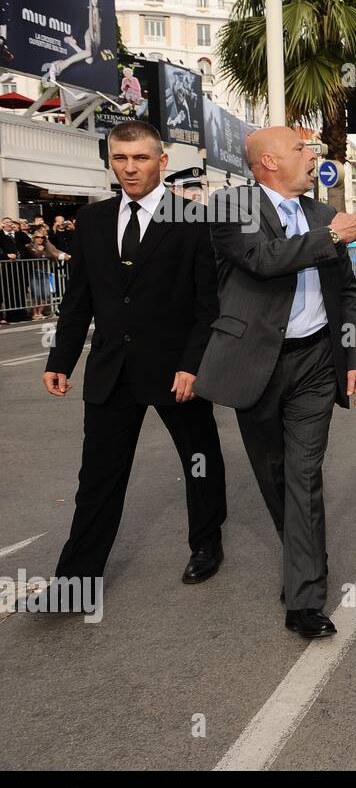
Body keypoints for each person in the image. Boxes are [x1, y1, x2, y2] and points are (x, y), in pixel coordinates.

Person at [194, 127, 356, 639]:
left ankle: (305, 598)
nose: (311, 155)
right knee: (274, 475)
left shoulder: (321, 214)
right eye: (300, 149)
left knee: (304, 475)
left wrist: (354, 355)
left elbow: (347, 294)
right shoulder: (233, 206)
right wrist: (334, 235)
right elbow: (264, 260)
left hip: (316, 361)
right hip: (256, 363)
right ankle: (299, 560)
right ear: (268, 160)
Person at [42, 120, 227, 589]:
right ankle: (75, 582)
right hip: (111, 370)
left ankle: (206, 543)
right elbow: (79, 297)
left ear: (162, 162)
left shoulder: (193, 221)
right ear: (110, 160)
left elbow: (209, 307)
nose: (129, 168)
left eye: (141, 158)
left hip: (175, 371)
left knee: (199, 459)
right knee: (98, 479)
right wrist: (60, 360)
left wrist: (193, 364)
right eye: (120, 158)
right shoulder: (93, 220)